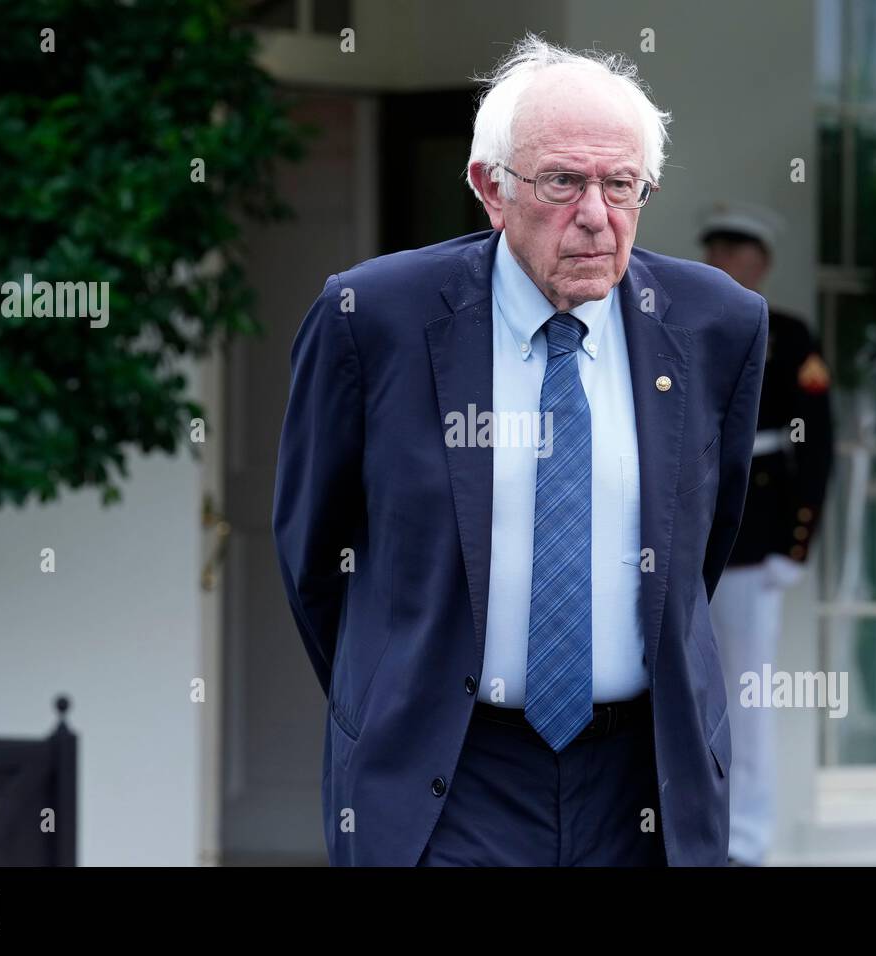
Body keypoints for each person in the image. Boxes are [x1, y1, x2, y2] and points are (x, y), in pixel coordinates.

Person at [272, 34, 767, 867]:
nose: (596, 216)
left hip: (641, 778)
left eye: (621, 185)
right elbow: (315, 557)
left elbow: (700, 554)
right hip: (448, 772)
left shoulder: (717, 323)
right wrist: (395, 691)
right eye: (563, 182)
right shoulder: (373, 317)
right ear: (489, 188)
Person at [700, 201, 834, 866]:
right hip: (689, 538)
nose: (726, 259)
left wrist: (795, 544)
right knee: (685, 693)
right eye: (717, 248)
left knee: (747, 694)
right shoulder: (684, 324)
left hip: (756, 537)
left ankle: (746, 842)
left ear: (763, 262)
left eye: (739, 249)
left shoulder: (790, 333)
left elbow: (816, 446)